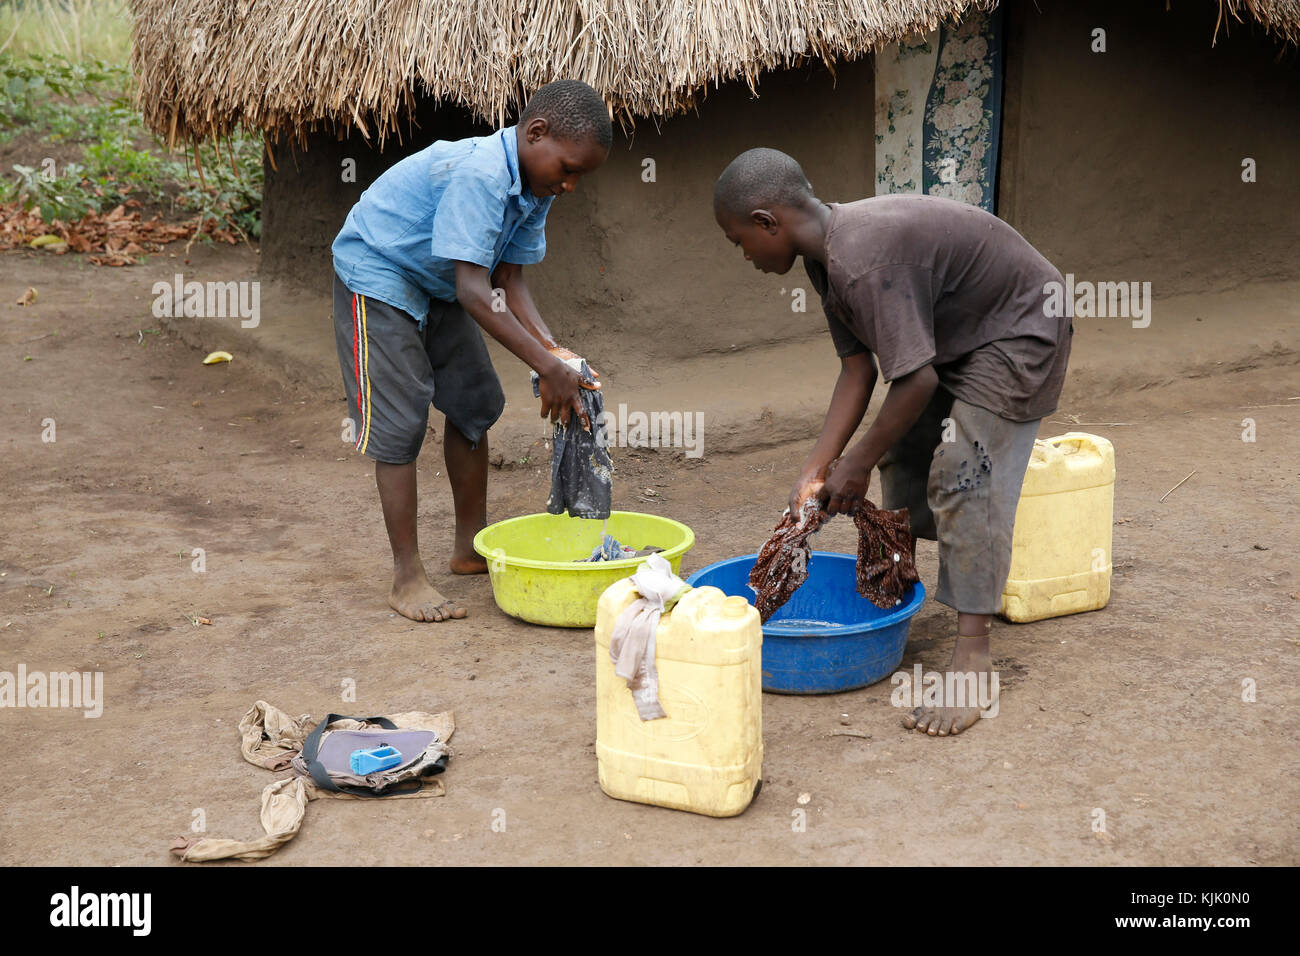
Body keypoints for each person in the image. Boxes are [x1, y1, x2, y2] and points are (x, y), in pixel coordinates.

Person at [714, 147, 1072, 736]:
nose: (744, 256)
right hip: (961, 332)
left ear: (766, 222)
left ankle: (974, 655)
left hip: (1021, 324)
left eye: (739, 241)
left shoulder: (861, 260)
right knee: (905, 457)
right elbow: (858, 369)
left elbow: (916, 379)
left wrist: (853, 463)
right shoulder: (823, 257)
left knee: (964, 470)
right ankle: (909, 586)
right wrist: (818, 466)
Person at [331, 80, 611, 622]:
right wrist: (544, 366)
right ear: (536, 133)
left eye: (580, 175)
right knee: (401, 421)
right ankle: (407, 577)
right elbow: (475, 291)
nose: (572, 184)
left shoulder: (535, 187)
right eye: (570, 168)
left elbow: (509, 279)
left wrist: (557, 354)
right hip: (379, 272)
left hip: (438, 282)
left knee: (476, 401)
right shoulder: (483, 172)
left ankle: (470, 546)